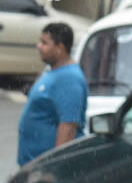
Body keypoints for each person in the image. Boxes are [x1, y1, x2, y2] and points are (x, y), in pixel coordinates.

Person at [16, 23, 87, 167]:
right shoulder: (54, 71)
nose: (39, 46)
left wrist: (54, 170)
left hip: (46, 171)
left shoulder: (69, 79)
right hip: (33, 167)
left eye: (44, 43)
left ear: (60, 47)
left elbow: (68, 129)